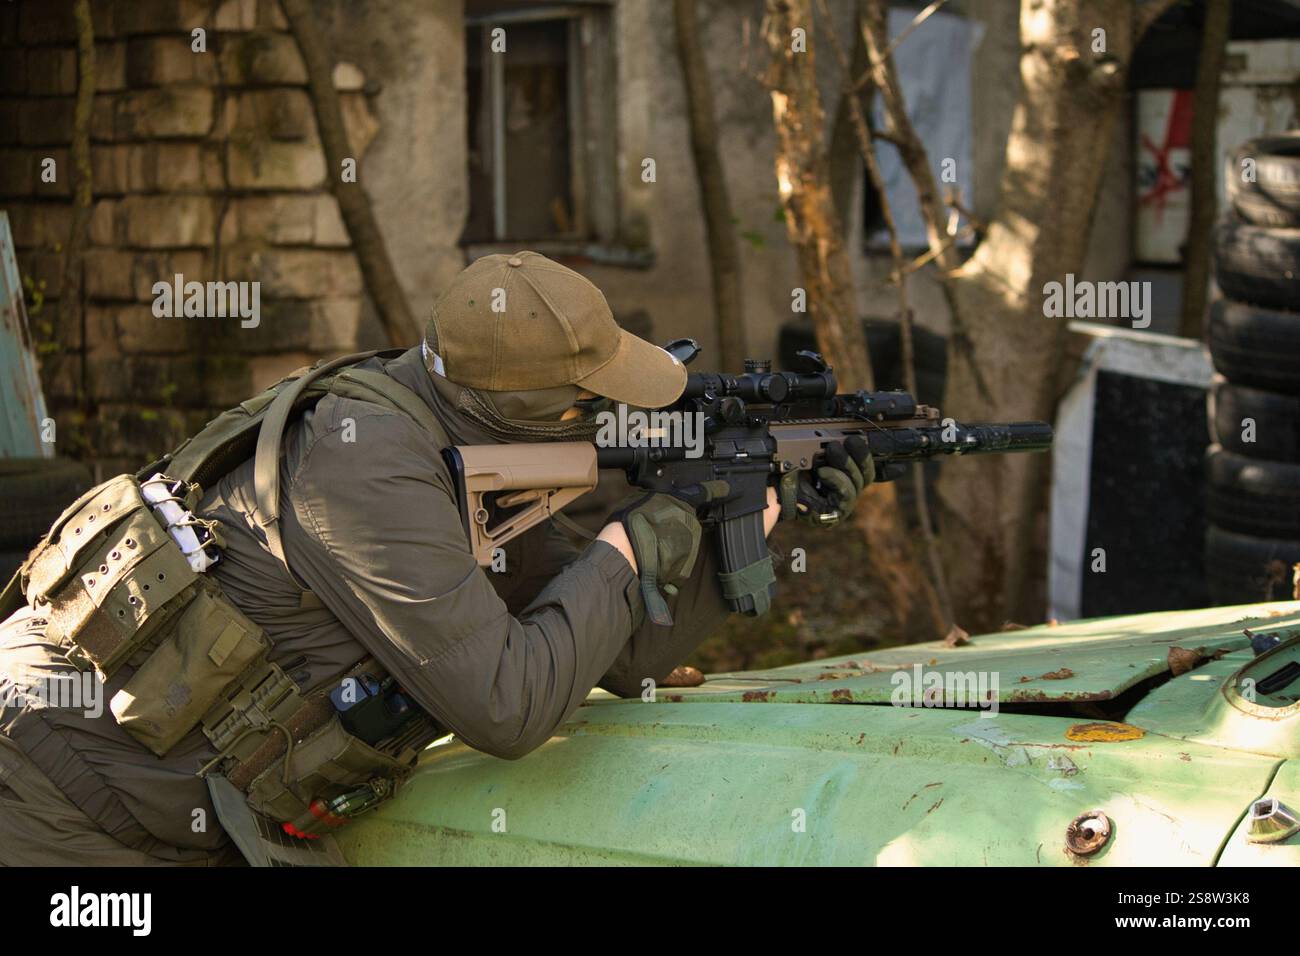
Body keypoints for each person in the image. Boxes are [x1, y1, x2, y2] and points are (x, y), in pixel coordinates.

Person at [0, 251, 873, 865]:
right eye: (592, 403)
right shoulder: (368, 469)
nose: (613, 417)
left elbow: (624, 656)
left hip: (170, 808)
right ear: (528, 413)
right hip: (49, 792)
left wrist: (744, 515)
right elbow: (509, 708)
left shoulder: (460, 431)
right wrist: (627, 545)